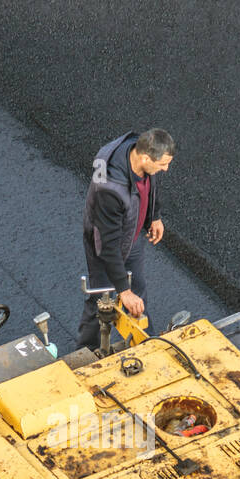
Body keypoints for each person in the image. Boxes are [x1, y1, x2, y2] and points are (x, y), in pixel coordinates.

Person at [79, 128, 175, 350]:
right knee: (100, 304)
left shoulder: (139, 152)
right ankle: (85, 354)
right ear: (145, 158)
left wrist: (155, 217)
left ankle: (147, 344)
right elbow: (108, 245)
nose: (166, 169)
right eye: (162, 164)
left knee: (138, 290)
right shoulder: (110, 190)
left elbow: (150, 186)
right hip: (105, 245)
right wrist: (123, 290)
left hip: (131, 235)